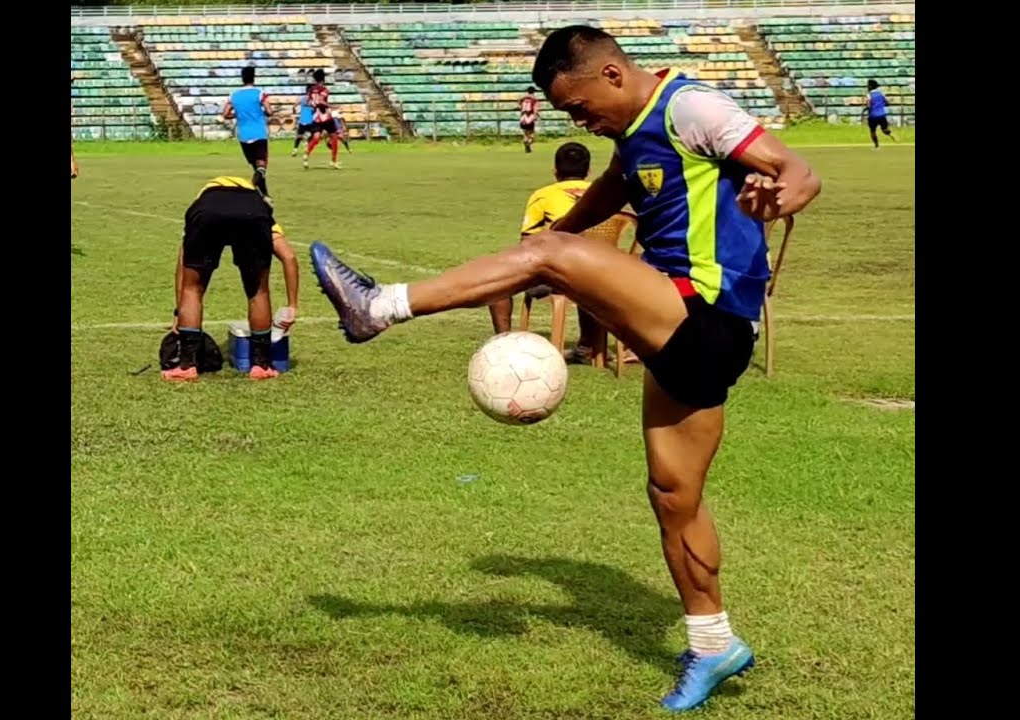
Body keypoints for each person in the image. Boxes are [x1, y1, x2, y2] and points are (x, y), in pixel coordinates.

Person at [307, 25, 821, 713]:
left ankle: (378, 307)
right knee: (673, 496)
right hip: (680, 330)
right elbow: (616, 184)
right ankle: (713, 643)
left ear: (612, 74)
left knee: (550, 265)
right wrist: (564, 229)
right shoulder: (636, 130)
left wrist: (775, 196)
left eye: (578, 108)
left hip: (706, 314)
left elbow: (799, 173)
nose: (578, 122)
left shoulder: (692, 108)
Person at [489, 141, 618, 366]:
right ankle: (588, 347)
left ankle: (504, 345)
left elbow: (527, 242)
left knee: (496, 279)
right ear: (588, 171)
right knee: (586, 278)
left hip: (558, 277)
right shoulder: (604, 194)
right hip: (602, 274)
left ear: (555, 171)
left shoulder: (543, 196)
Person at [165, 176, 300, 382]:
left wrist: (179, 311)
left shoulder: (204, 198)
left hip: (207, 214)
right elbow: (289, 257)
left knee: (192, 289)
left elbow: (182, 267)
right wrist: (292, 306)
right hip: (253, 216)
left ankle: (187, 366)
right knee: (258, 291)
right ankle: (261, 365)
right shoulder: (259, 206)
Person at [221, 66, 272, 196]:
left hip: (243, 135)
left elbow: (225, 114)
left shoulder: (234, 95)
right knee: (261, 167)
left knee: (256, 167)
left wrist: (237, 115)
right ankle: (251, 186)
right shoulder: (259, 93)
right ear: (253, 78)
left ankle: (264, 195)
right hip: (259, 133)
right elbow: (269, 111)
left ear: (242, 79)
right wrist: (263, 112)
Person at [303, 103, 341, 170]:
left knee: (333, 138)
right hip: (319, 122)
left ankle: (333, 161)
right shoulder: (316, 109)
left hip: (327, 121)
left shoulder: (325, 108)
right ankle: (306, 154)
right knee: (317, 138)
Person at [862, 79, 896, 149]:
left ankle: (876, 146)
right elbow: (887, 102)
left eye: (868, 85)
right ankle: (891, 134)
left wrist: (865, 109)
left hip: (873, 116)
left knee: (872, 131)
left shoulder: (869, 95)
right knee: (884, 129)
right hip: (881, 115)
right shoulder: (881, 93)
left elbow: (868, 105)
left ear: (870, 86)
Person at [292, 86, 316, 157]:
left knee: (299, 135)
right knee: (313, 135)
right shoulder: (313, 100)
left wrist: (294, 111)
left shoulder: (302, 98)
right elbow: (315, 109)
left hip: (302, 120)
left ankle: (295, 150)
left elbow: (294, 106)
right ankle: (306, 145)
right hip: (310, 121)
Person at [518, 86, 539, 153]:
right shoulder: (534, 99)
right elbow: (535, 109)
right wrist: (536, 116)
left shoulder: (524, 98)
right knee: (532, 135)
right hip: (530, 118)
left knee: (525, 134)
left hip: (523, 118)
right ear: (534, 92)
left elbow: (518, 104)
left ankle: (526, 145)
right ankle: (528, 144)